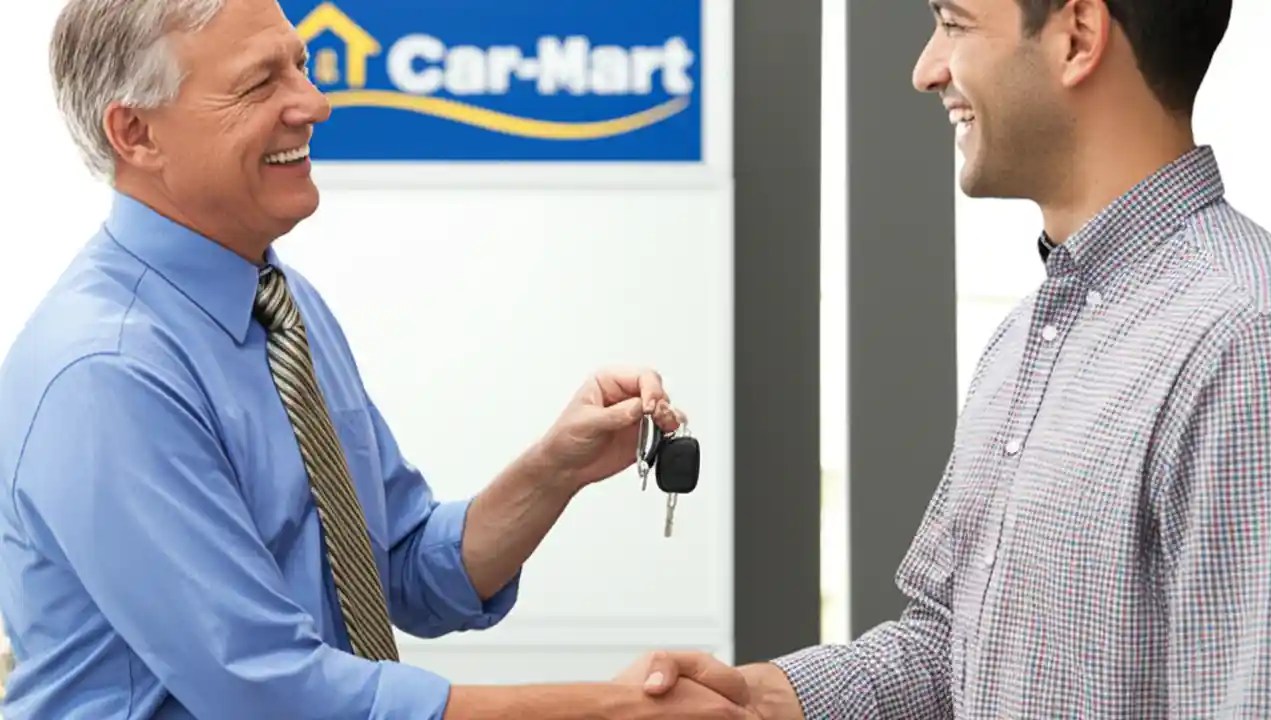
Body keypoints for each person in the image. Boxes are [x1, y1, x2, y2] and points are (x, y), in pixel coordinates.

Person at [0, 0, 757, 718]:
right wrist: (607, 708)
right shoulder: (107, 373)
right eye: (261, 82)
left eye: (300, 66)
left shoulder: (280, 304)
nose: (313, 103)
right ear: (137, 134)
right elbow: (275, 696)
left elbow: (404, 568)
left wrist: (555, 469)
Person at [635, 0, 1271, 717]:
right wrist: (758, 697)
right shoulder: (1027, 338)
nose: (925, 70)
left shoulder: (1245, 339)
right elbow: (953, 649)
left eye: (955, 23)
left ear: (1078, 37)